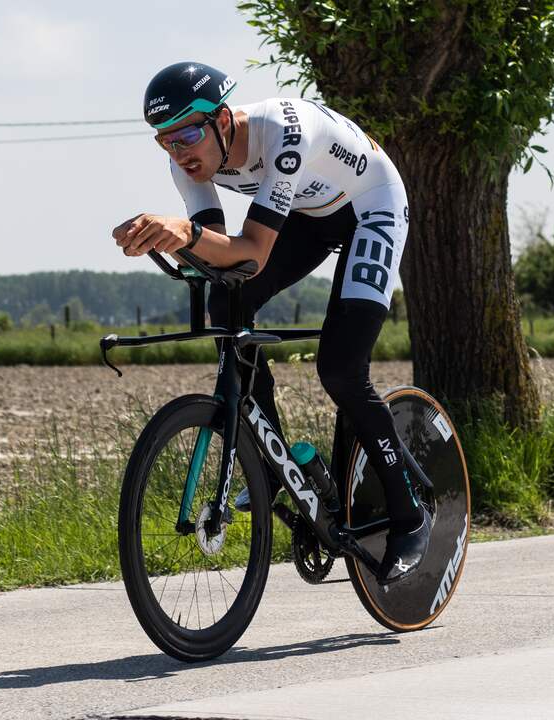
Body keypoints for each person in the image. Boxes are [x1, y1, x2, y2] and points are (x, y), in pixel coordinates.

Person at [111, 61, 430, 585]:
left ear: (222, 120)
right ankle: (274, 461)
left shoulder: (283, 131)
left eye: (187, 135)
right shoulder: (187, 163)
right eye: (165, 141)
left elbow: (253, 252)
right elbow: (220, 257)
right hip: (308, 213)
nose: (179, 152)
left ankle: (409, 514)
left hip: (370, 206)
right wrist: (170, 240)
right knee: (225, 304)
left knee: (341, 369)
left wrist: (185, 233)